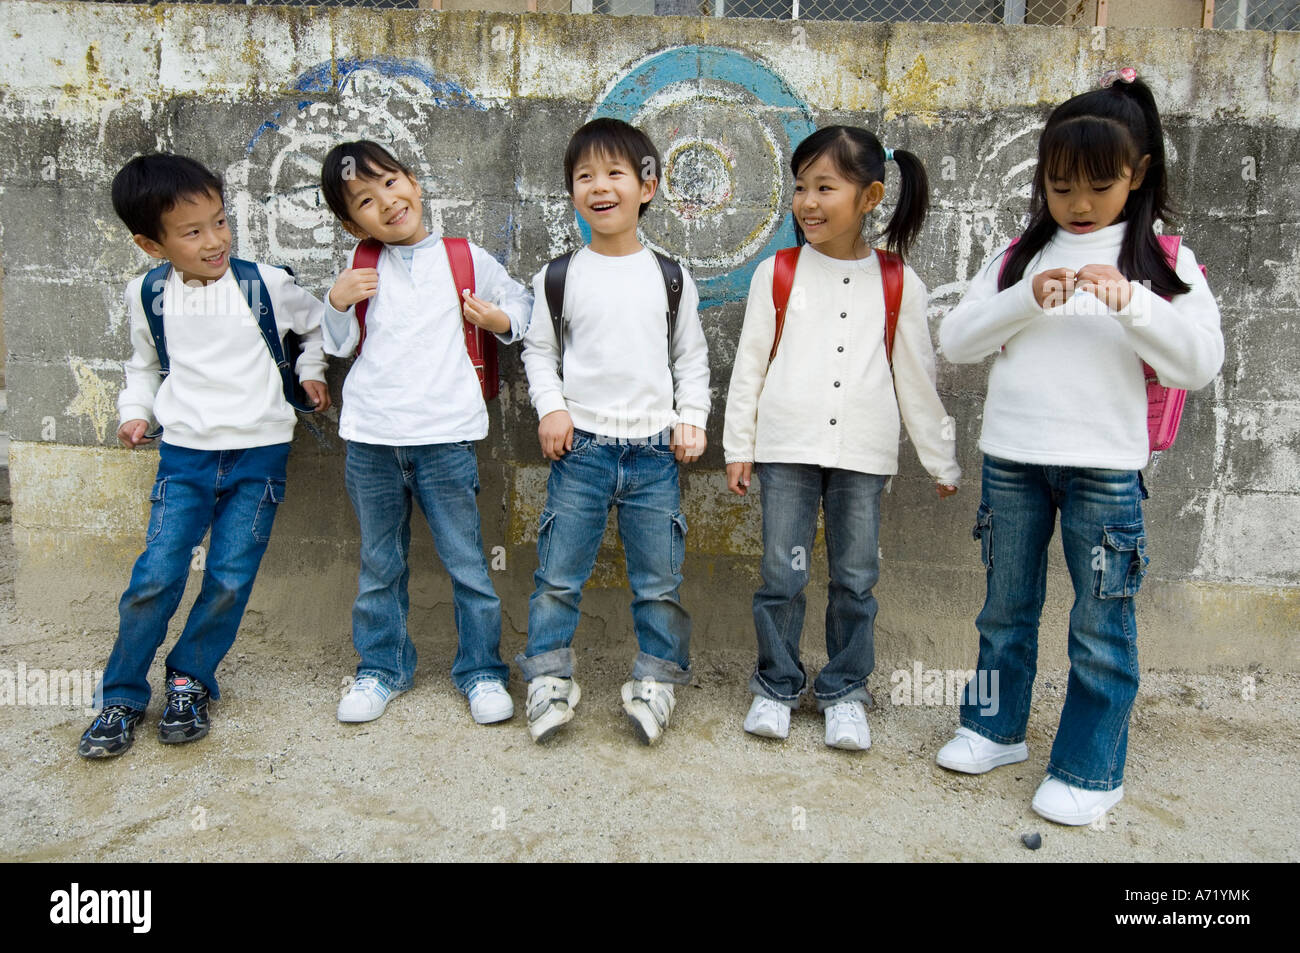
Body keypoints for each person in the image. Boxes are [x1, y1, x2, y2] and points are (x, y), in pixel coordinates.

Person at [935, 72, 1224, 824]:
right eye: (1061, 185)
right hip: (1012, 461)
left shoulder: (1164, 260)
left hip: (1105, 470)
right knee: (1004, 609)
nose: (1079, 202)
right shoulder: (1018, 256)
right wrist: (1025, 299)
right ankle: (993, 728)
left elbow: (1197, 363)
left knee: (1101, 624)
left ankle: (1091, 769)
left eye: (1099, 184)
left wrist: (1133, 302)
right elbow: (957, 340)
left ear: (1139, 174)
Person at [79, 153, 330, 758]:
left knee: (229, 577)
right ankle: (122, 695)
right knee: (156, 575)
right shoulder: (149, 294)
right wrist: (134, 413)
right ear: (150, 244)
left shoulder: (262, 283)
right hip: (184, 458)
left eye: (220, 222)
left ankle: (191, 678)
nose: (215, 240)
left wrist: (313, 370)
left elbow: (319, 322)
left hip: (259, 457)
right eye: (192, 232)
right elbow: (142, 365)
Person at [723, 126, 960, 751]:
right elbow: (750, 366)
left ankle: (845, 690)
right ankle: (776, 685)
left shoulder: (898, 282)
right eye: (799, 187)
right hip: (787, 449)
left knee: (856, 577)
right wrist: (738, 447)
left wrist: (940, 457)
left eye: (825, 186)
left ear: (871, 195)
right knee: (782, 572)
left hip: (861, 453)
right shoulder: (776, 272)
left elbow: (915, 377)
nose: (807, 201)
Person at [318, 141, 531, 726]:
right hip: (372, 440)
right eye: (365, 200)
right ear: (349, 221)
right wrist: (335, 304)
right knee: (379, 566)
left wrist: (499, 320)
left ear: (413, 180)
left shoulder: (465, 258)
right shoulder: (360, 270)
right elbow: (335, 346)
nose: (385, 202)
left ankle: (483, 671)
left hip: (446, 439)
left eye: (390, 183)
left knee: (468, 563)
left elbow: (523, 305)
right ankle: (380, 669)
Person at [518, 118, 710, 745]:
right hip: (581, 453)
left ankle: (654, 679)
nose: (600, 187)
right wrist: (551, 407)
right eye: (584, 177)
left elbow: (690, 359)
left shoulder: (672, 275)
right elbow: (539, 353)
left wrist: (692, 419)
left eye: (615, 174)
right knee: (557, 576)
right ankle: (548, 678)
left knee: (659, 582)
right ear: (572, 191)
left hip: (655, 454)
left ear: (647, 186)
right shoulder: (559, 275)